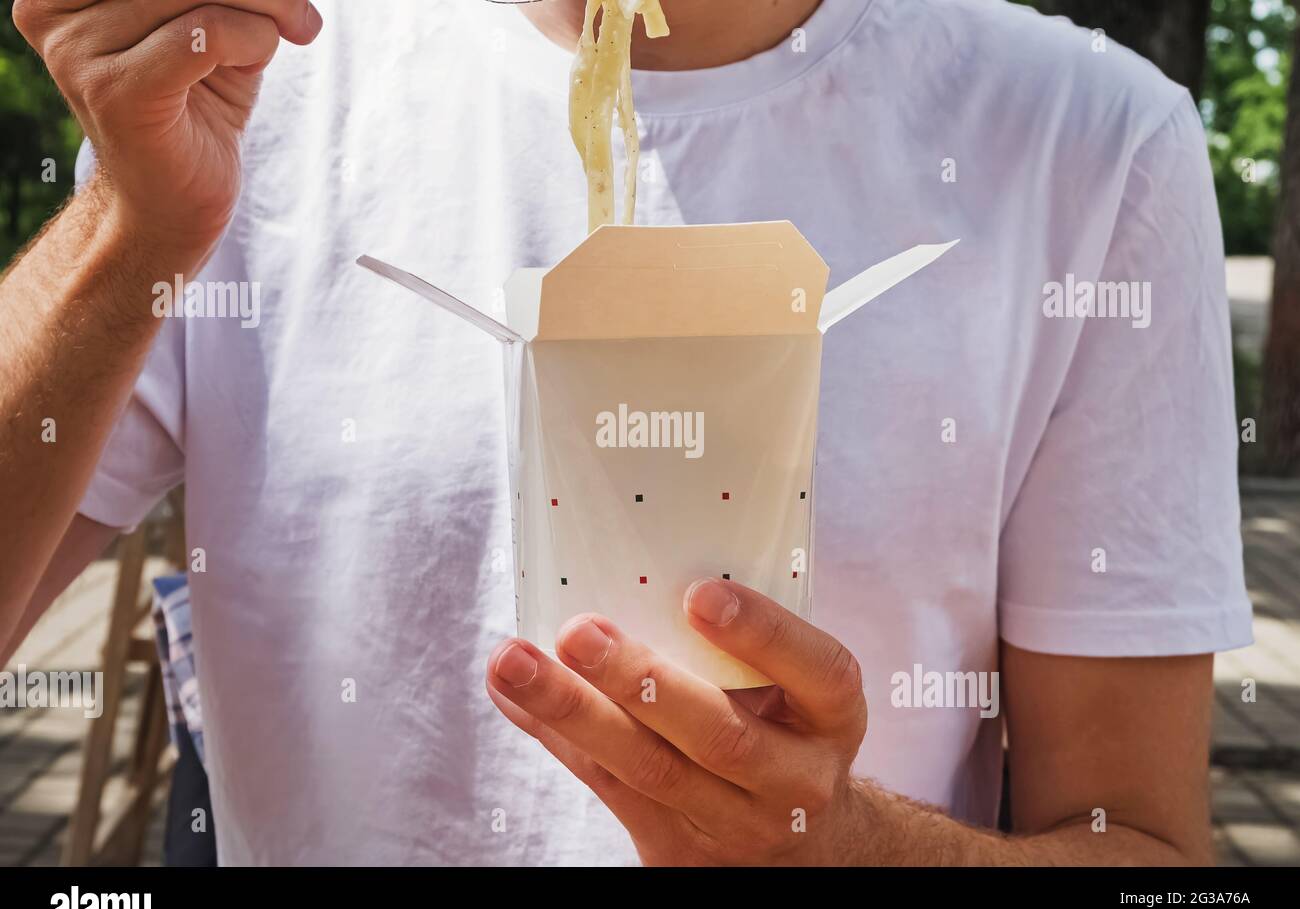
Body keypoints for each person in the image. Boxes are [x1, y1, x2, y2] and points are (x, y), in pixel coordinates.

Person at [0, 0, 1251, 865]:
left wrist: (844, 845)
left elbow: (1147, 865)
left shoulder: (1087, 144)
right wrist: (129, 228)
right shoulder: (253, 93)